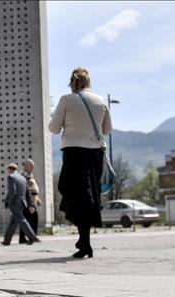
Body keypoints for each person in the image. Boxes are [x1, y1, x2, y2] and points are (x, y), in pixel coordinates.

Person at [48, 67, 111, 258]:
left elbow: (53, 128)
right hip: (95, 155)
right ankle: (84, 241)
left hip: (74, 153)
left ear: (72, 82)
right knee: (89, 197)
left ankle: (84, 242)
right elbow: (107, 129)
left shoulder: (66, 100)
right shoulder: (101, 101)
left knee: (71, 193)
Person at [1, 163, 40, 246]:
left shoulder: (11, 177)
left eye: (7, 170)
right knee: (13, 222)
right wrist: (30, 205)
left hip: (15, 202)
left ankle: (32, 237)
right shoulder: (22, 178)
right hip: (22, 202)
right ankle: (6, 240)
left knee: (22, 220)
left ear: (9, 169)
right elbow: (27, 193)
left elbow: (12, 191)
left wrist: (9, 202)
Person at [19, 159, 41, 243]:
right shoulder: (24, 175)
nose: (33, 166)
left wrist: (37, 198)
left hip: (30, 200)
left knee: (25, 219)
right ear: (25, 166)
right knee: (33, 218)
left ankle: (23, 238)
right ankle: (32, 237)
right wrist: (33, 200)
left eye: (33, 165)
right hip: (28, 201)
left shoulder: (29, 174)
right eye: (31, 165)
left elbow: (32, 188)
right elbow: (30, 185)